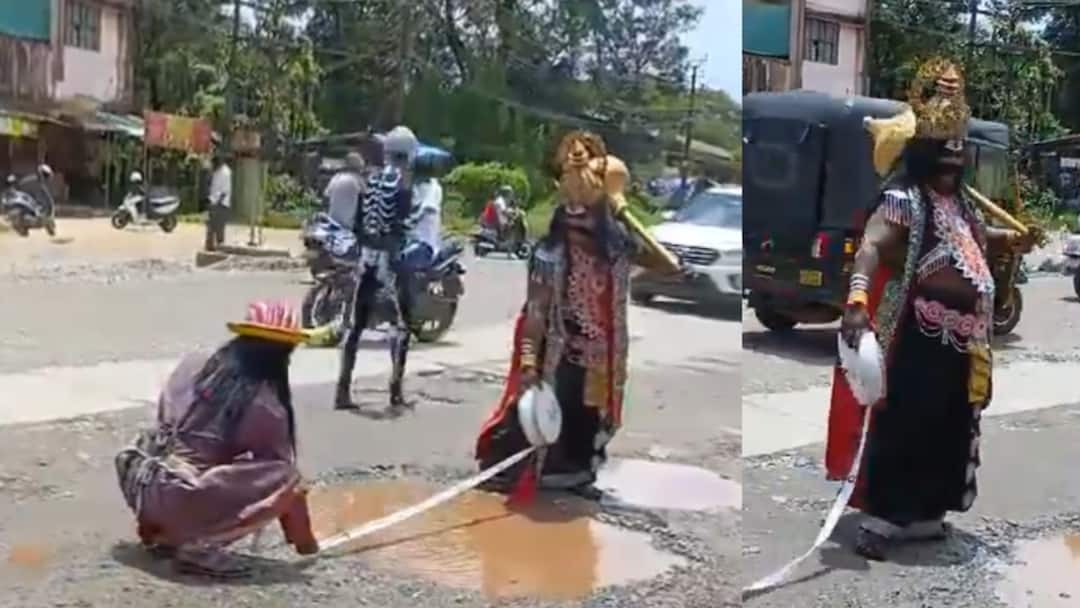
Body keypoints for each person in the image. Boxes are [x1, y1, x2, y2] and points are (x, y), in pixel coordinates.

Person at [825, 58, 1036, 561]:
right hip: (916, 338)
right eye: (943, 150)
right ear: (922, 152)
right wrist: (857, 301)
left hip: (964, 343)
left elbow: (976, 240)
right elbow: (872, 246)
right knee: (906, 424)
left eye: (959, 151)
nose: (953, 159)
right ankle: (883, 517)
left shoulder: (962, 207)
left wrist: (1012, 240)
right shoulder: (903, 199)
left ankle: (924, 512)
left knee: (950, 426)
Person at [474, 131, 683, 494]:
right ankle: (520, 471)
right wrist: (529, 362)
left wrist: (624, 212)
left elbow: (669, 266)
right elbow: (536, 312)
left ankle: (577, 475)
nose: (578, 222)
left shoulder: (618, 245)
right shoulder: (550, 252)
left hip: (602, 354)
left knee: (588, 422)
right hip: (561, 348)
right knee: (541, 416)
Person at [114, 301, 318, 577]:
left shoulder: (195, 363)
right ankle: (201, 546)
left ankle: (159, 532)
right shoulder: (265, 403)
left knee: (182, 455)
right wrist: (305, 542)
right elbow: (283, 483)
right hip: (175, 493)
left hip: (138, 475)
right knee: (286, 477)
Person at [334, 126, 419, 410]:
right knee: (401, 327)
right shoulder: (403, 184)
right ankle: (395, 392)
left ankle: (342, 391)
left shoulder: (370, 179)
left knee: (356, 327)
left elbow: (359, 221)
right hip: (388, 264)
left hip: (366, 261)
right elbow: (402, 225)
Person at [401, 151, 443, 272]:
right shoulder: (414, 187)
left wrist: (409, 221)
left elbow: (425, 208)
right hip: (409, 239)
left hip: (424, 242)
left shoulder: (433, 188)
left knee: (406, 267)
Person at [324, 152, 366, 230]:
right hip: (348, 226)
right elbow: (364, 202)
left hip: (332, 222)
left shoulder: (335, 178)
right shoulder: (358, 180)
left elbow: (326, 198)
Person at [205, 154, 232, 251]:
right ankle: (210, 248)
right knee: (210, 227)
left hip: (221, 204)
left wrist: (217, 205)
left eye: (213, 164)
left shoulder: (225, 172)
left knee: (219, 228)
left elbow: (224, 191)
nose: (212, 165)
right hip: (213, 201)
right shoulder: (216, 171)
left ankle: (220, 248)